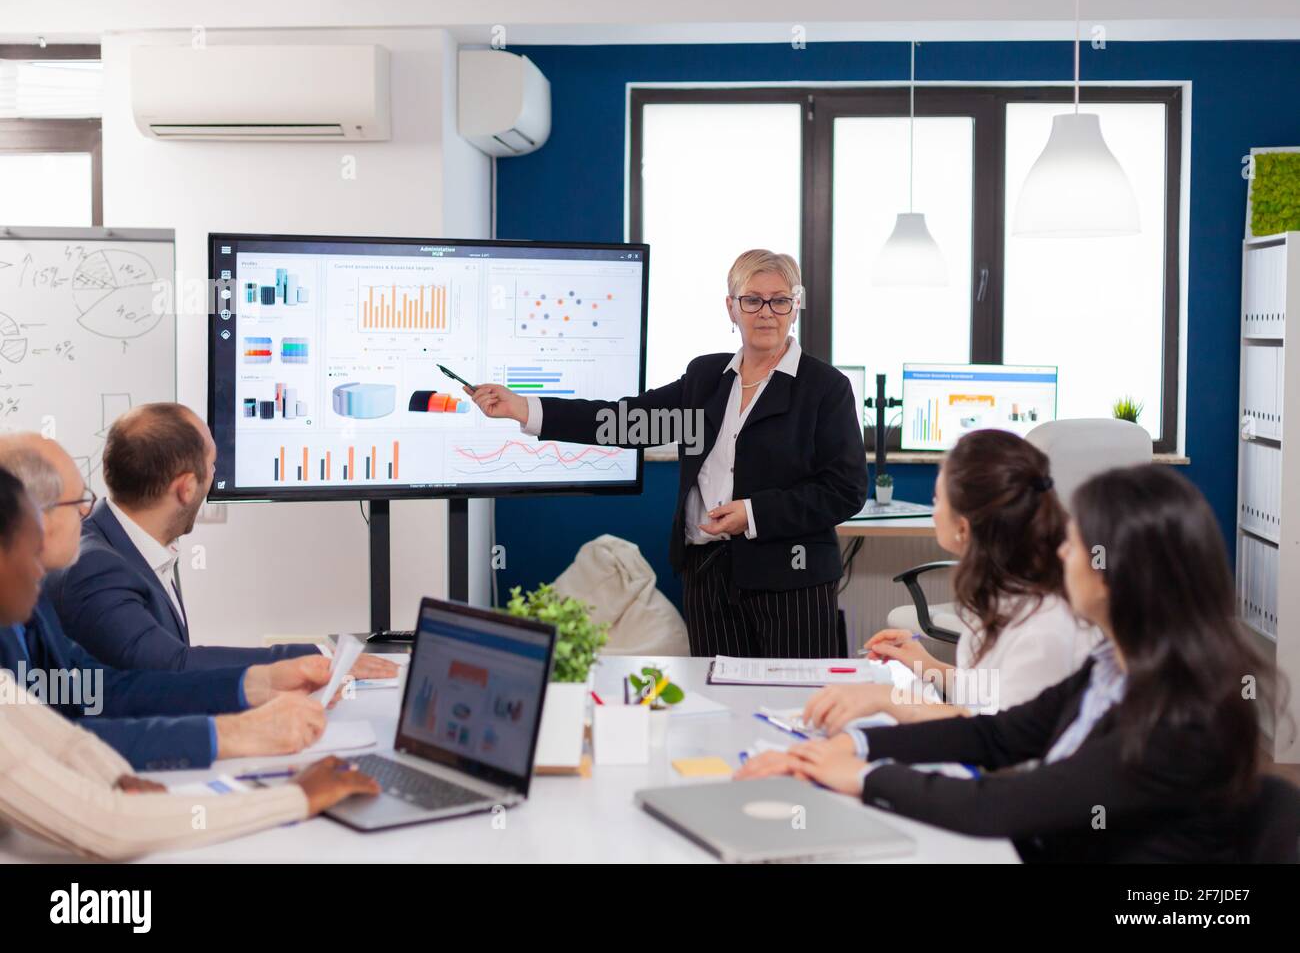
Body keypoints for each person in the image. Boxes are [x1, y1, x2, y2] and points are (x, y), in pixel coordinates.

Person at [738, 464, 1288, 862]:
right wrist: (856, 746)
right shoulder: (1110, 667)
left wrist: (861, 774)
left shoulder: (1178, 719)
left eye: (1076, 544)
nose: (1064, 553)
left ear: (1118, 570)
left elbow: (998, 805)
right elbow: (997, 735)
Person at [466, 249, 869, 657]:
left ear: (795, 306)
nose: (766, 312)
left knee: (795, 706)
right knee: (721, 705)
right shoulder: (706, 380)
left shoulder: (824, 388)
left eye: (780, 300)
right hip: (708, 576)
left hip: (792, 582)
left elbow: (845, 489)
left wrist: (752, 513)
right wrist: (525, 408)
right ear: (731, 308)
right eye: (752, 299)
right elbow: (624, 421)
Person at [0, 465, 381, 861]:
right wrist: (297, 798)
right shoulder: (91, 570)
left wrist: (112, 774)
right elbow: (107, 826)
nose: (38, 569)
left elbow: (63, 730)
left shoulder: (28, 611)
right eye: (28, 550)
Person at [0, 434, 370, 769]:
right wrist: (236, 733)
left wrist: (258, 682)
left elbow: (99, 690)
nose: (87, 514)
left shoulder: (30, 601)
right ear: (31, 516)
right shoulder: (88, 568)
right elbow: (36, 747)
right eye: (79, 502)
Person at [44, 403, 390, 676]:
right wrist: (320, 659)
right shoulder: (95, 568)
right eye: (211, 466)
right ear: (186, 487)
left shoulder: (129, 543)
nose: (215, 476)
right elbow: (171, 668)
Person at [802, 429, 1097, 732]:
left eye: (936, 499)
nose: (933, 510)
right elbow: (992, 692)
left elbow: (1000, 738)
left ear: (964, 528)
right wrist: (925, 665)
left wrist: (889, 698)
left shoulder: (1044, 625)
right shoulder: (1009, 590)